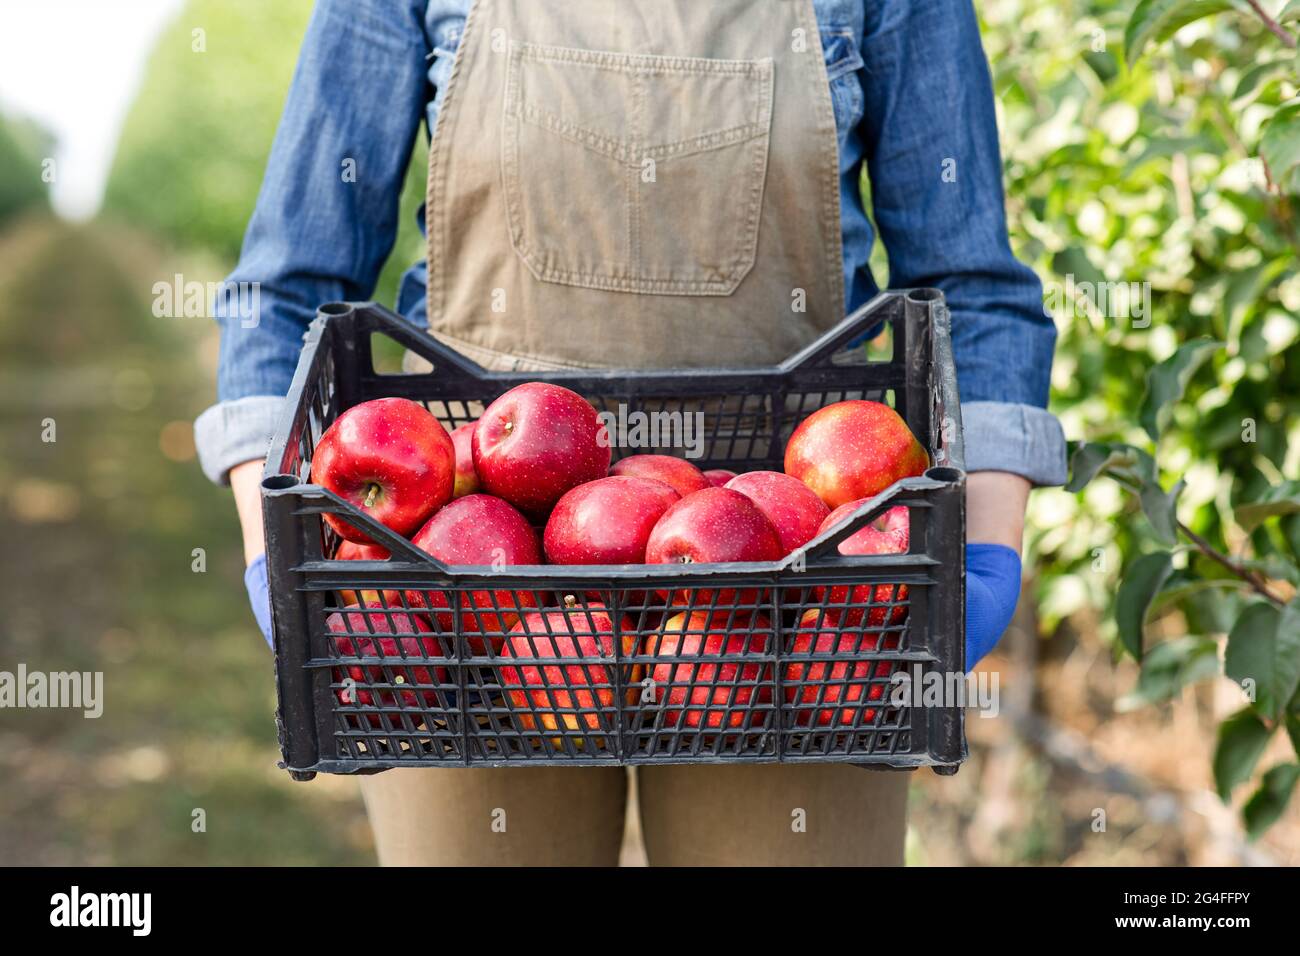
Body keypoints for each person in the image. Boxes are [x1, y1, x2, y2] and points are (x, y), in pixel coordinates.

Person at [196, 0, 1066, 867]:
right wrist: (272, 542)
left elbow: (969, 286)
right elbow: (285, 286)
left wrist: (982, 546)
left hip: (795, 593)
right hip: (459, 595)